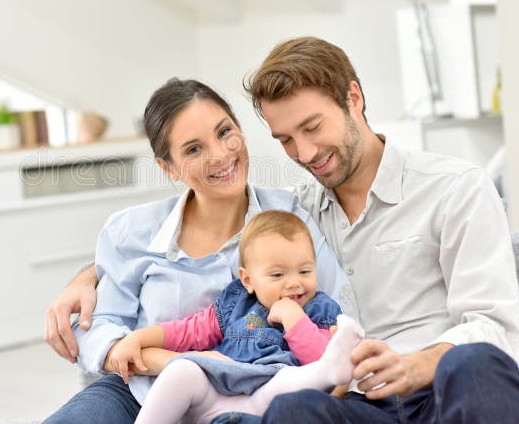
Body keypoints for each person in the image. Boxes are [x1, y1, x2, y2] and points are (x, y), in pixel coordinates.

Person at [45, 37, 519, 423]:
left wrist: (416, 364)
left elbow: (495, 327)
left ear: (354, 98)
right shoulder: (298, 212)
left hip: (448, 391)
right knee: (292, 413)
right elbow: (165, 253)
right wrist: (88, 276)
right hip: (365, 404)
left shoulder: (454, 188)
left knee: (469, 362)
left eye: (312, 127)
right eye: (285, 139)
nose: (304, 155)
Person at [42, 78, 350, 424]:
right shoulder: (131, 231)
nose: (220, 155)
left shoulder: (289, 217)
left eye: (224, 132)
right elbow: (101, 328)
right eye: (193, 149)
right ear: (168, 168)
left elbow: (338, 312)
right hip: (142, 391)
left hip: (256, 396)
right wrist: (170, 361)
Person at [113, 210, 365, 424]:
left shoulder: (319, 310)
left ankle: (332, 369)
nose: (294, 283)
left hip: (266, 402)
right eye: (278, 275)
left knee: (291, 381)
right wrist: (139, 337)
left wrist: (295, 320)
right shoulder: (236, 304)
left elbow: (319, 357)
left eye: (305, 270)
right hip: (215, 395)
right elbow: (187, 331)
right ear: (247, 280)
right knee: (182, 369)